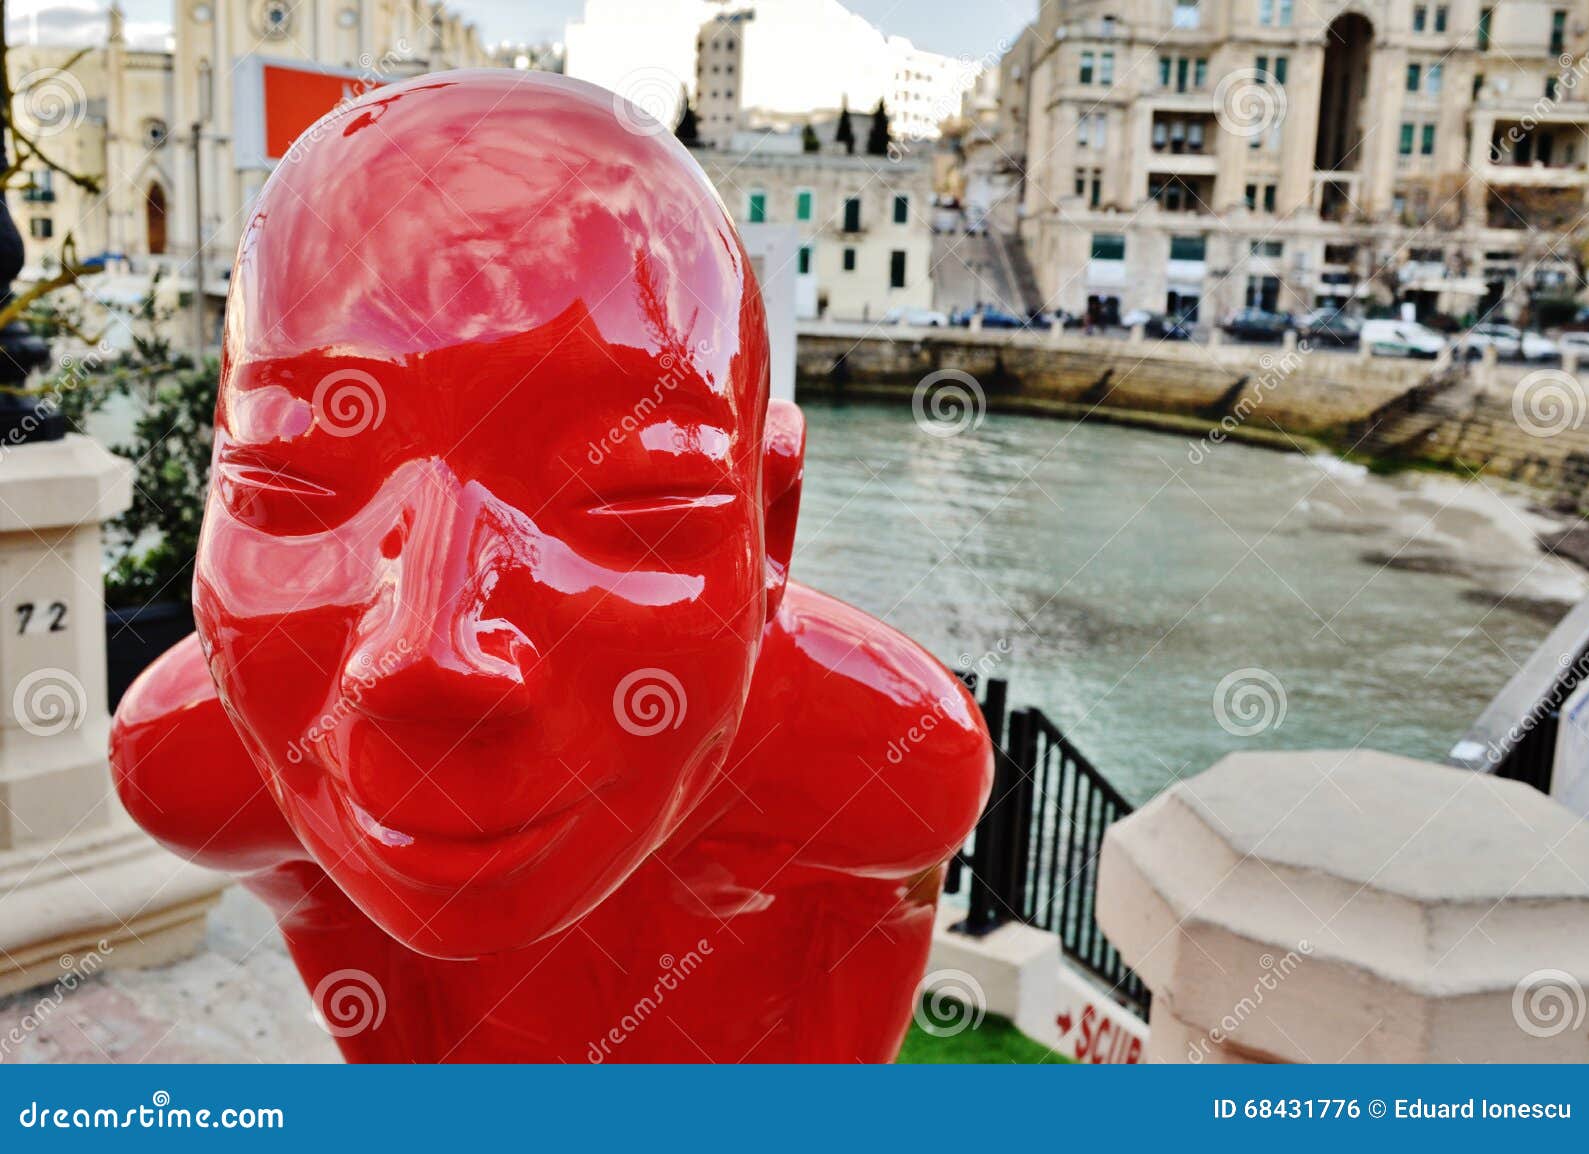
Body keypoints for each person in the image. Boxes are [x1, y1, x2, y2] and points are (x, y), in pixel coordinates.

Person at [111, 70, 992, 1063]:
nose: (422, 652)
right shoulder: (198, 769)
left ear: (770, 523)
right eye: (289, 484)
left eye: (637, 494)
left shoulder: (880, 760)